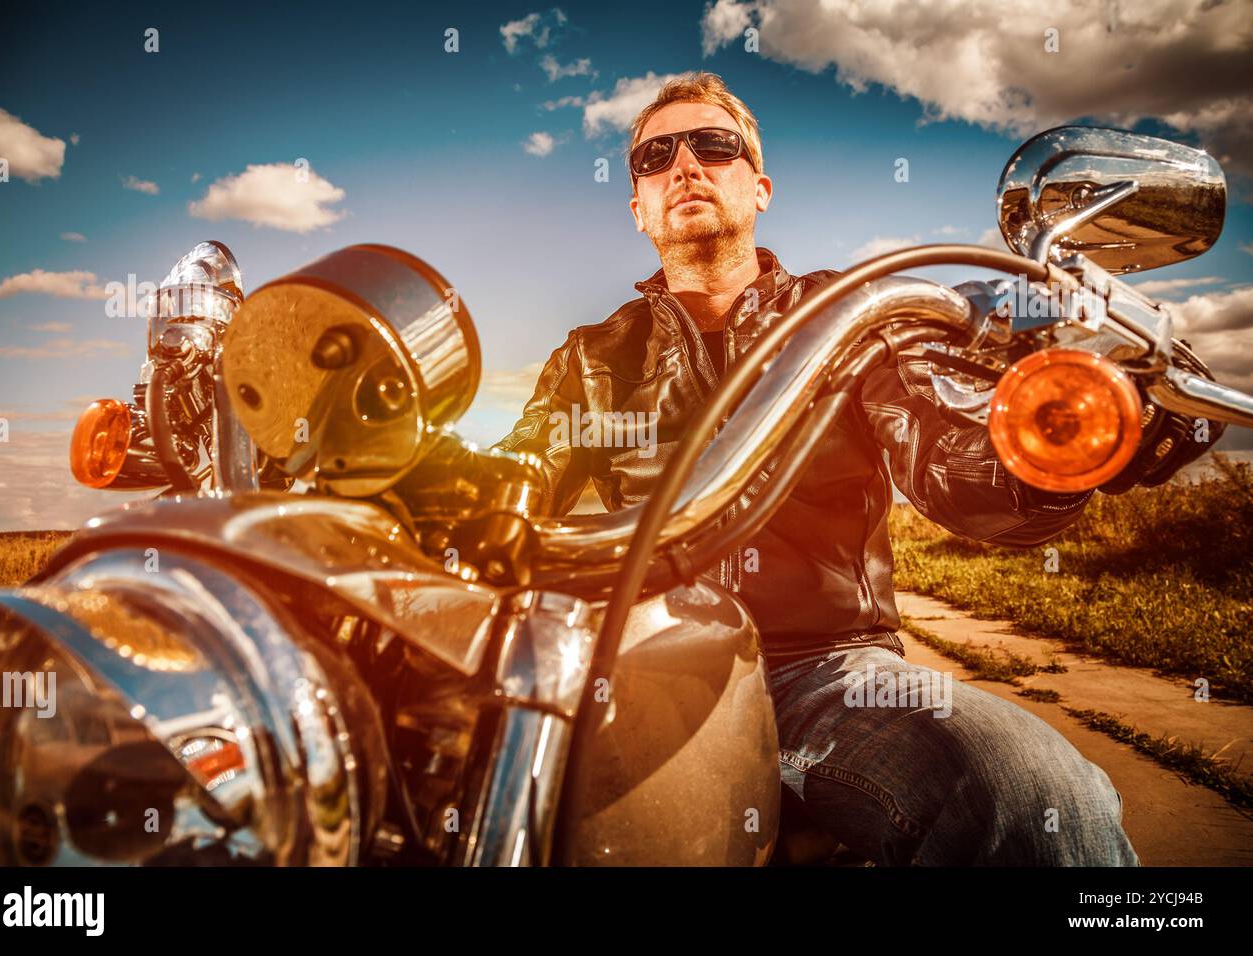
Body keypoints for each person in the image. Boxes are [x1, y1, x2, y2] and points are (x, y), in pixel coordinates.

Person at [494, 72, 1214, 865]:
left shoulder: (848, 315)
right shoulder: (591, 355)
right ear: (637, 205)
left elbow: (951, 467)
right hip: (640, 661)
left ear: (758, 186)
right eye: (656, 155)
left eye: (713, 145)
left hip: (829, 668)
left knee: (1030, 786)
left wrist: (1056, 448)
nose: (685, 165)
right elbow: (518, 475)